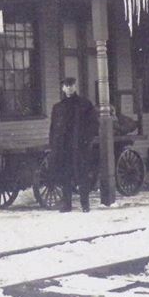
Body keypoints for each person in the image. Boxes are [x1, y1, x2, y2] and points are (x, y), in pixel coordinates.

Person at [48, 76, 99, 213]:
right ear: (63, 88)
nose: (69, 88)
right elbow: (53, 129)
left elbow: (94, 125)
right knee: (65, 176)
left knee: (82, 176)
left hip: (79, 147)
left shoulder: (84, 104)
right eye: (66, 86)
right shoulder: (58, 108)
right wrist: (53, 145)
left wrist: (86, 141)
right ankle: (67, 205)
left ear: (75, 87)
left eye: (71, 85)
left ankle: (85, 204)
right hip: (63, 148)